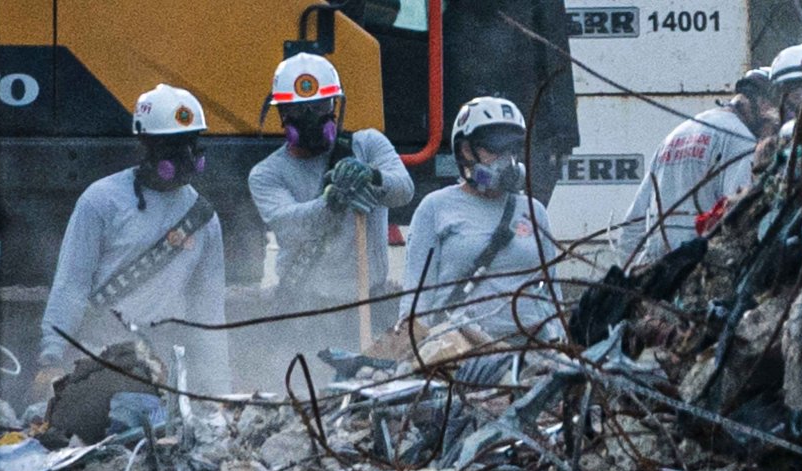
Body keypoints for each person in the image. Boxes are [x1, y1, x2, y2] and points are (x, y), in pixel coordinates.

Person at [34, 84, 231, 398]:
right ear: (145, 146)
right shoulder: (102, 201)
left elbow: (209, 314)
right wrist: (52, 358)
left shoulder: (203, 219)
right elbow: (71, 284)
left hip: (161, 365)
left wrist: (221, 391)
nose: (186, 156)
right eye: (173, 145)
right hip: (99, 357)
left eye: (191, 143)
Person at [248, 52, 413, 385]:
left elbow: (404, 190)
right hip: (310, 310)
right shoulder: (267, 174)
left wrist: (373, 176)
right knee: (311, 397)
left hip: (371, 302)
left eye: (320, 108)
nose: (310, 118)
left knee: (374, 398)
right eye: (297, 110)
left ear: (335, 107)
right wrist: (331, 202)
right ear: (281, 114)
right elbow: (289, 226)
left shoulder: (367, 145)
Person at [401, 97, 562, 341]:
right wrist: (413, 347)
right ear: (466, 150)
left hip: (530, 346)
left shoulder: (533, 210)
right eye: (495, 149)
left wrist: (561, 344)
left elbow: (552, 292)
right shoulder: (435, 208)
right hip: (460, 350)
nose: (506, 160)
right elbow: (417, 295)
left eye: (512, 150)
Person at [619, 68, 778, 266]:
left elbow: (631, 228)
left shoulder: (679, 132)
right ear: (763, 105)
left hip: (659, 274)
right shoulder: (740, 140)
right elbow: (740, 218)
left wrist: (637, 279)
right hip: (697, 273)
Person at [443, 0, 580, 205]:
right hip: (455, 122)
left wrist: (563, 135)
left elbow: (555, 60)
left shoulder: (534, 16)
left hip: (531, 125)